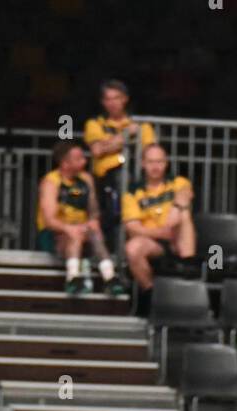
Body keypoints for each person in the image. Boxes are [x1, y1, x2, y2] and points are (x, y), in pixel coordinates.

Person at [36, 141, 127, 296]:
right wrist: (69, 228)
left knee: (95, 233)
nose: (84, 161)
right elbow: (50, 220)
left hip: (82, 229)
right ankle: (73, 279)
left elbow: (93, 209)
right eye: (78, 159)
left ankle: (110, 278)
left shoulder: (86, 179)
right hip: (54, 233)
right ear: (65, 163)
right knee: (75, 235)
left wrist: (94, 220)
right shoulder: (51, 182)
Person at [84, 79, 156, 255]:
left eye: (117, 98)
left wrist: (110, 144)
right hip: (105, 181)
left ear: (125, 99)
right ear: (103, 102)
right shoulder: (95, 124)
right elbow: (97, 150)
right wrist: (126, 137)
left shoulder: (142, 126)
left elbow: (149, 152)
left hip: (135, 181)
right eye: (108, 99)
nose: (113, 103)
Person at [122, 144, 198, 310]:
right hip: (153, 241)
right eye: (150, 162)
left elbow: (184, 196)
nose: (155, 166)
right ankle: (152, 296)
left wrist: (171, 220)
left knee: (183, 212)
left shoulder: (178, 182)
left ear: (166, 163)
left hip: (177, 237)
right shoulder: (132, 192)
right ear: (143, 163)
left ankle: (188, 266)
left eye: (159, 162)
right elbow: (132, 227)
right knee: (132, 248)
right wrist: (159, 232)